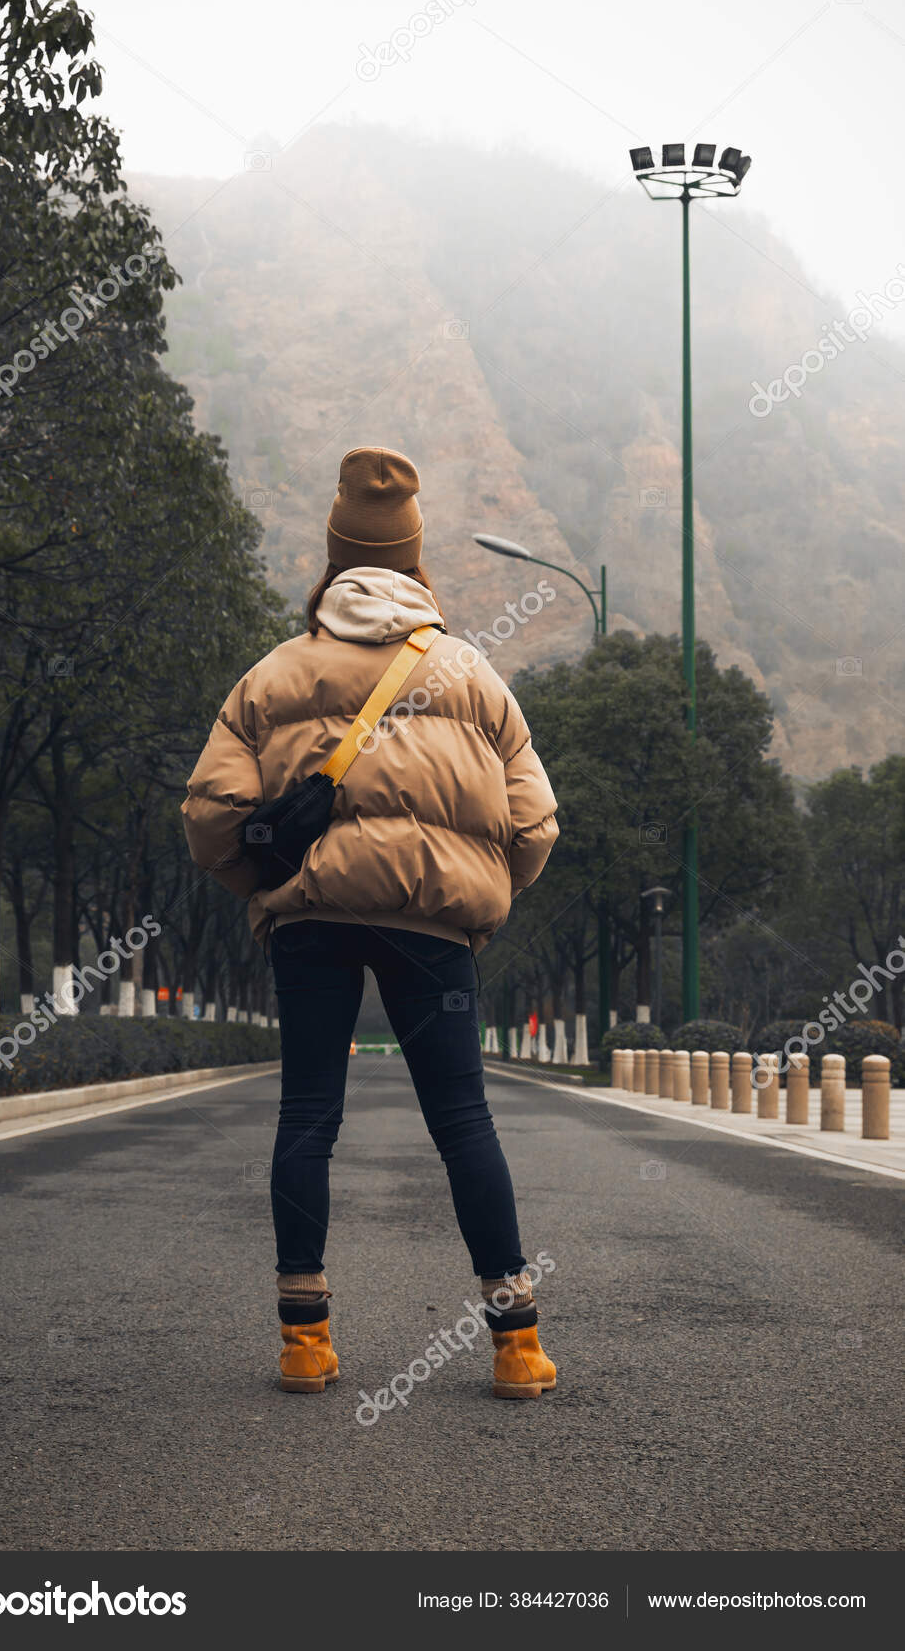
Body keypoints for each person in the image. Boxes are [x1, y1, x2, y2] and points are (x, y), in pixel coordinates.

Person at [182, 446, 559, 1399]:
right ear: (415, 560)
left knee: (308, 1113)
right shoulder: (473, 676)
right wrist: (478, 889)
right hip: (431, 926)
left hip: (310, 917)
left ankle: (304, 1342)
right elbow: (534, 821)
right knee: (462, 1120)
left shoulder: (273, 674)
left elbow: (208, 813)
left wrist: (264, 881)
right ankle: (516, 1346)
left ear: (334, 556)